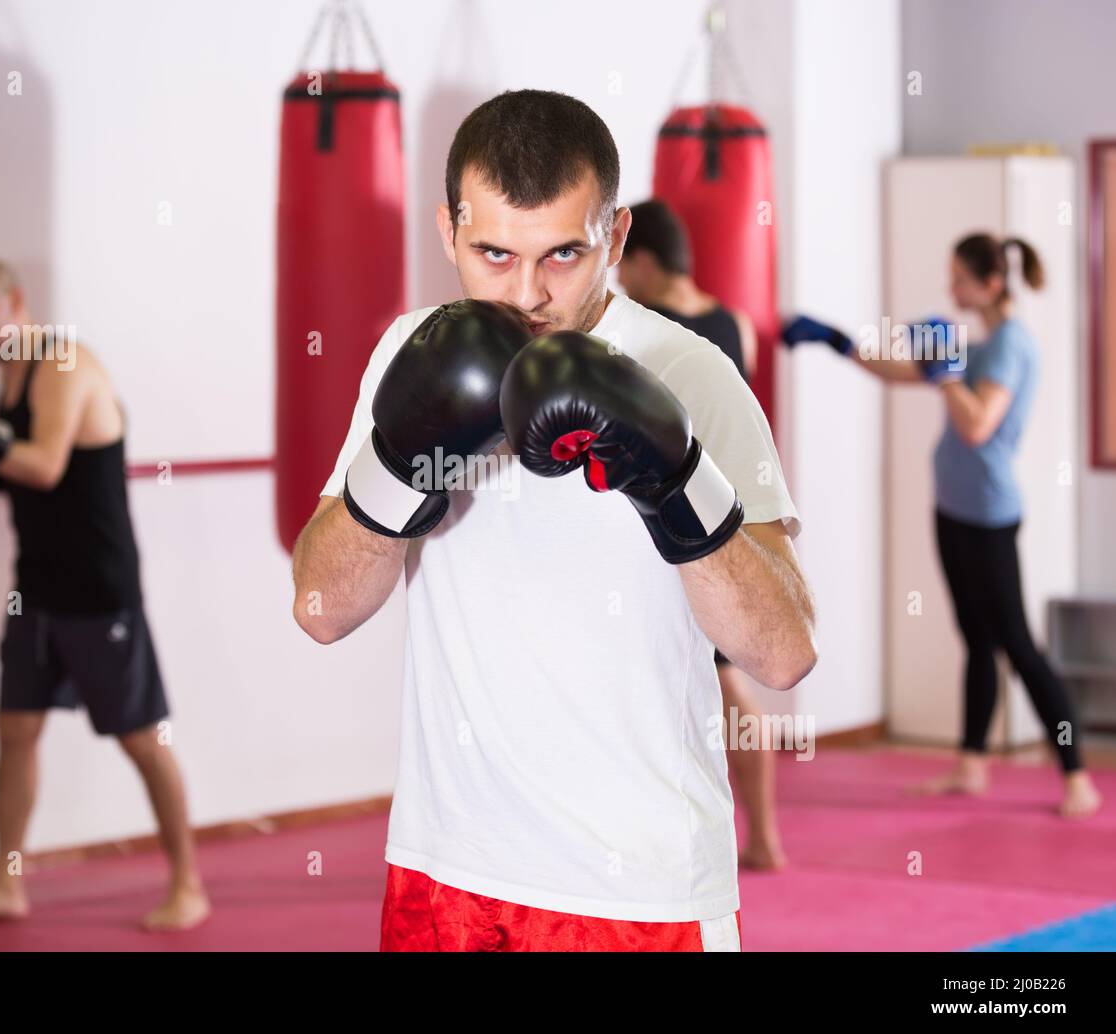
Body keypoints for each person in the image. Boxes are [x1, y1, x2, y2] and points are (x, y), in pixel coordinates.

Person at [291, 90, 816, 952]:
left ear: (615, 236)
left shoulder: (694, 374)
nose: (527, 293)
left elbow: (784, 653)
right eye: (493, 253)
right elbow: (321, 608)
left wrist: (673, 481)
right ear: (447, 233)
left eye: (563, 253)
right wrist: (400, 458)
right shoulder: (409, 353)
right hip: (444, 869)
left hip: (637, 892)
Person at [0, 258, 210, 929]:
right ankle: (8, 883)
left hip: (99, 587)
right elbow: (18, 465)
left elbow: (43, 465)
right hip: (36, 586)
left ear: (13, 302)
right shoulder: (12, 373)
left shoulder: (64, 364)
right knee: (16, 731)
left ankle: (189, 884)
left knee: (139, 737)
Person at [781, 233, 1101, 819]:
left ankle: (1077, 776)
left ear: (991, 284)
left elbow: (978, 424)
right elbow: (901, 374)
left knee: (1018, 645)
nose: (951, 289)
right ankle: (971, 765)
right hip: (953, 508)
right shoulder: (981, 345)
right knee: (977, 641)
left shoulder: (1010, 346)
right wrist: (832, 339)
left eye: (959, 278)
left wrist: (948, 371)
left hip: (989, 515)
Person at [618, 198, 786, 870]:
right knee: (721, 685)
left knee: (708, 686)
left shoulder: (651, 334)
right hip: (728, 519)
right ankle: (765, 836)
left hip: (670, 527)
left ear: (648, 262)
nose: (620, 284)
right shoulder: (736, 323)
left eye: (626, 269)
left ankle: (712, 841)